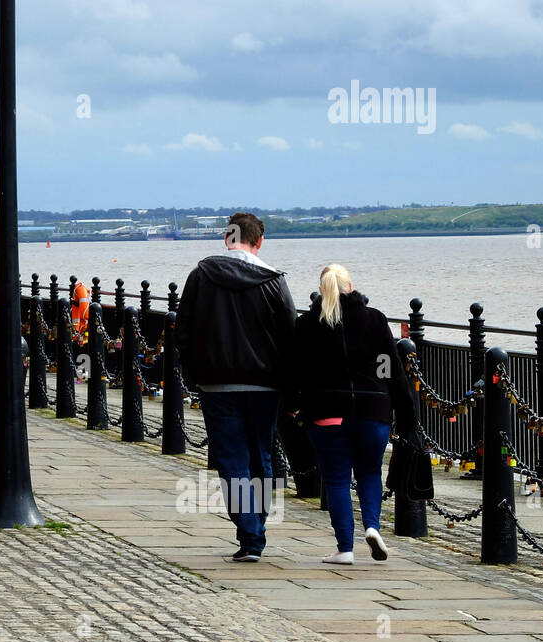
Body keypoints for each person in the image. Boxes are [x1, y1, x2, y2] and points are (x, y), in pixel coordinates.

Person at [175, 212, 297, 563]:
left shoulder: (201, 277)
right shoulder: (273, 281)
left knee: (231, 460)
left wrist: (194, 373)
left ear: (227, 238)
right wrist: (291, 391)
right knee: (262, 455)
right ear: (259, 241)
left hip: (216, 384)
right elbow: (289, 337)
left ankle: (250, 534)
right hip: (265, 385)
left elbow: (183, 330)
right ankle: (254, 529)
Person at [284, 264, 419, 565]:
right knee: (370, 472)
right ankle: (372, 526)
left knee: (336, 480)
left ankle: (345, 548)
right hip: (373, 412)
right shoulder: (375, 320)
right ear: (351, 286)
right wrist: (405, 412)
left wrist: (293, 403)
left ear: (321, 290)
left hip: (327, 414)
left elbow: (295, 369)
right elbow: (390, 370)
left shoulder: (307, 324)